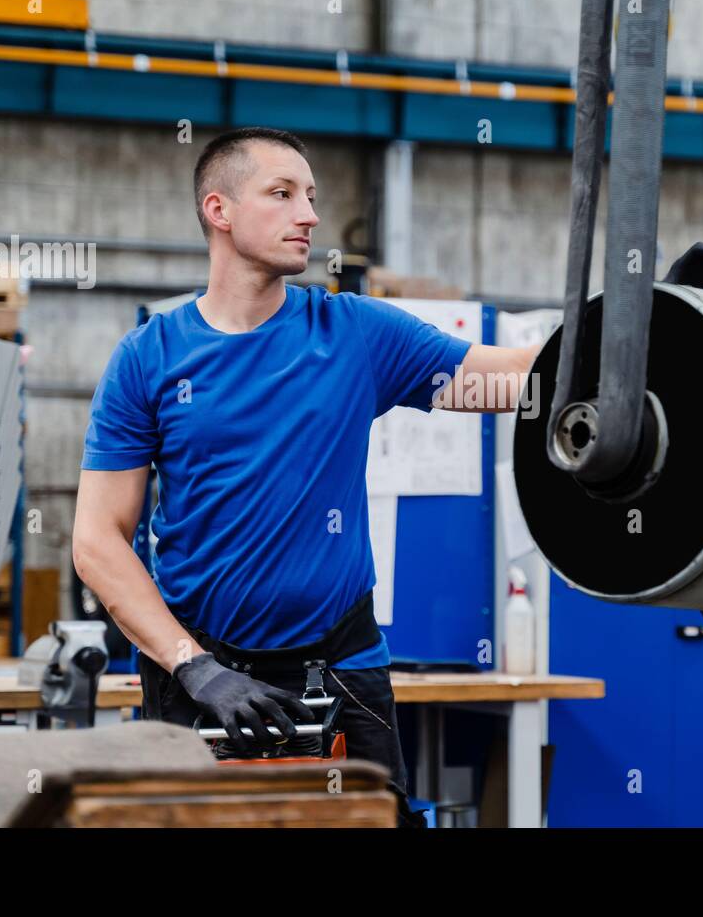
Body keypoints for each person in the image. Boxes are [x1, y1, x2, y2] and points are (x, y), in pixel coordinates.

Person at [72, 127, 538, 827]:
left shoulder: (356, 334)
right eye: (283, 194)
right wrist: (193, 667)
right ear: (219, 210)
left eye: (313, 197)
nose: (310, 216)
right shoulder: (150, 358)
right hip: (198, 681)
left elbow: (509, 381)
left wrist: (646, 322)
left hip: (342, 678)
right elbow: (97, 540)